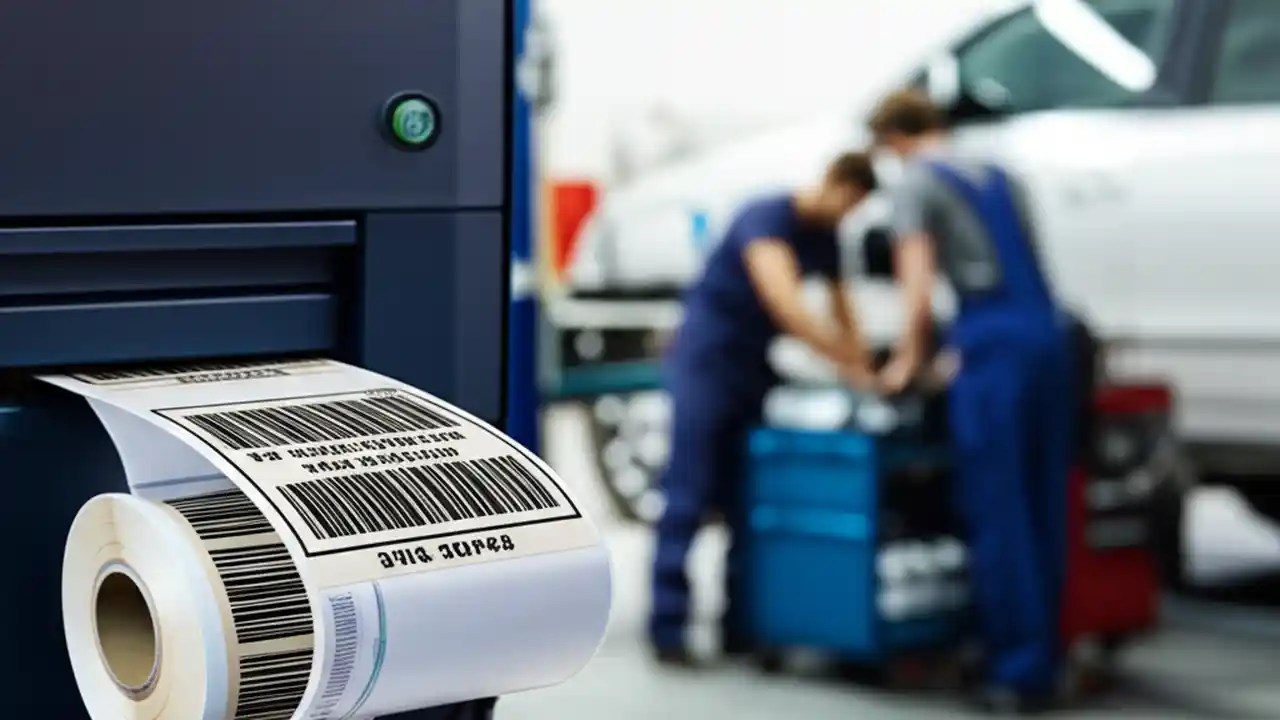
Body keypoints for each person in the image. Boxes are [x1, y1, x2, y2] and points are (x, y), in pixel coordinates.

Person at [869, 88, 1076, 713]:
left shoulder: (915, 182)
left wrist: (905, 362)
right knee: (1044, 506)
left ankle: (1015, 671)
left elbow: (917, 285)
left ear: (893, 141)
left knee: (999, 507)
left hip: (993, 351)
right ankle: (1048, 659)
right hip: (1049, 341)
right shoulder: (1002, 175)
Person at [650, 153, 879, 665]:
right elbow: (787, 304)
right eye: (849, 203)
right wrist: (844, 359)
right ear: (833, 181)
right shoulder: (767, 216)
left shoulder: (826, 237)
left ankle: (742, 628)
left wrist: (864, 362)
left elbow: (844, 308)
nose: (847, 216)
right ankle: (669, 627)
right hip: (706, 363)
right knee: (688, 494)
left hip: (752, 368)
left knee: (745, 501)